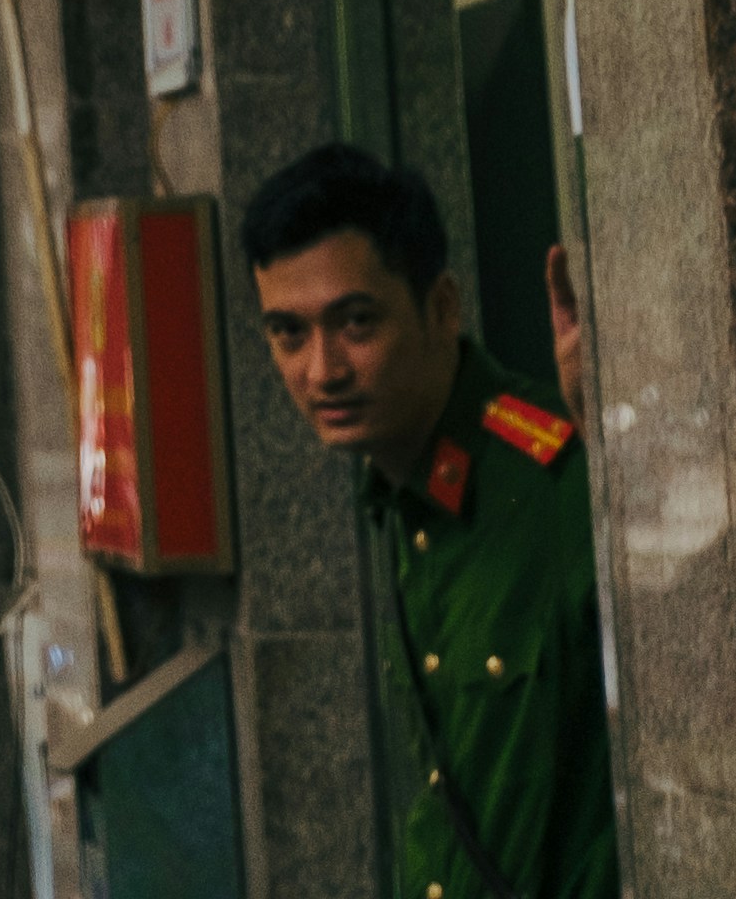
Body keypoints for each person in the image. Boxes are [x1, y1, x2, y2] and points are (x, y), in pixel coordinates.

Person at [242, 141, 619, 899]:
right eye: (289, 332)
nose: (322, 371)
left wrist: (620, 455)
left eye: (355, 323)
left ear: (442, 307)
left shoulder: (560, 478)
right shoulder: (401, 500)